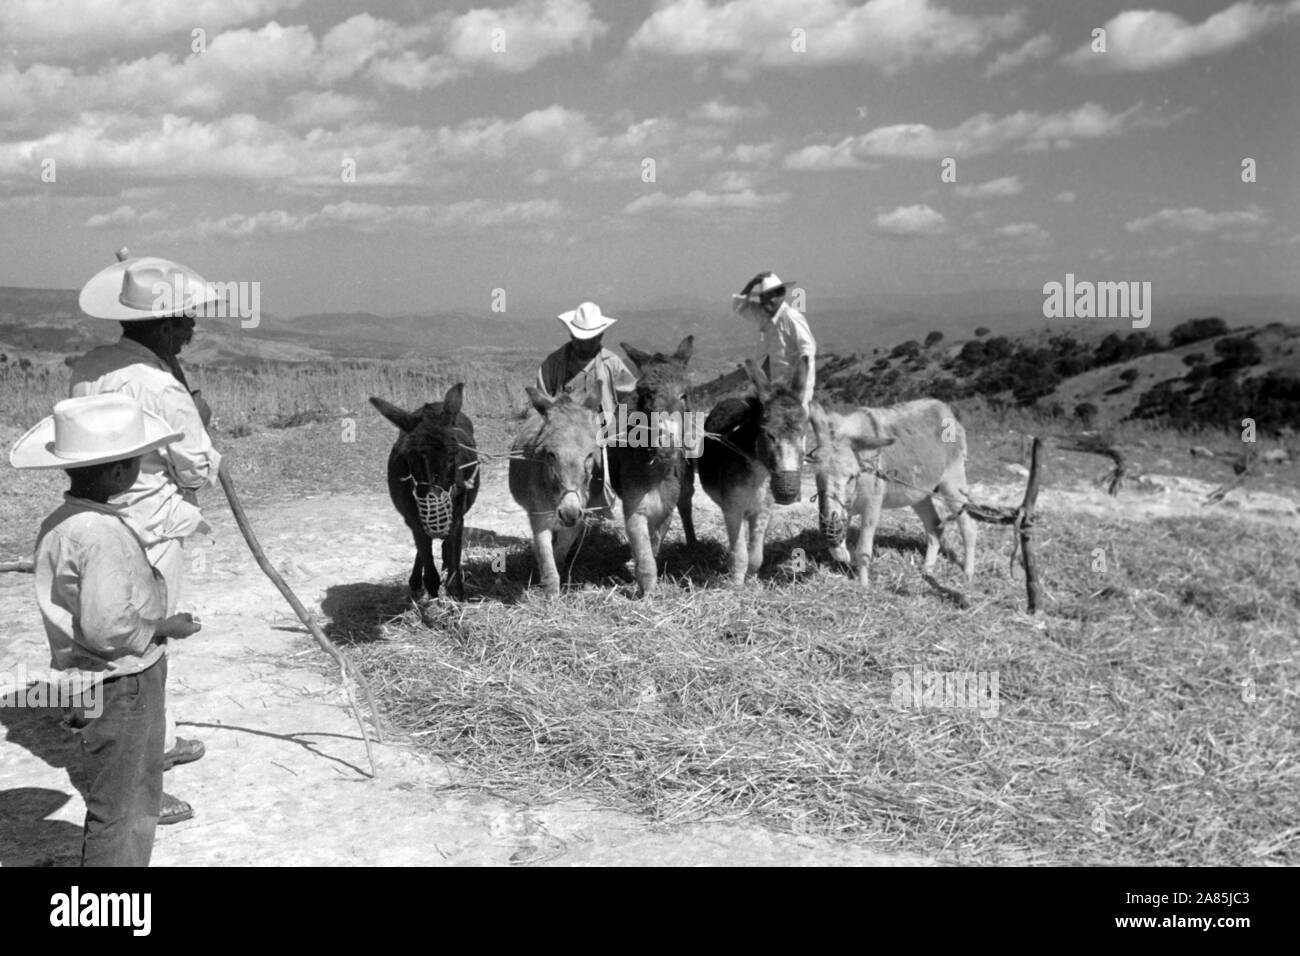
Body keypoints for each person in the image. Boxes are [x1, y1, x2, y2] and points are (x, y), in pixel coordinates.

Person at [9, 393, 204, 866]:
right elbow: (106, 627)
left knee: (119, 799)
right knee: (125, 811)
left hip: (86, 680)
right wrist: (165, 626)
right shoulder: (102, 533)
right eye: (137, 460)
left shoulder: (63, 522)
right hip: (122, 683)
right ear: (119, 472)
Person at [69, 252, 223, 807]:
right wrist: (199, 425)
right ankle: (138, 784)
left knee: (117, 640)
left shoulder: (89, 365)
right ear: (162, 324)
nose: (193, 326)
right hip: (150, 530)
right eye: (185, 318)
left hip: (95, 519)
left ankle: (158, 738)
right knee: (141, 651)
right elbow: (196, 470)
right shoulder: (160, 387)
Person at [535, 301, 638, 511]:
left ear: (600, 337)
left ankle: (596, 524)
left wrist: (623, 427)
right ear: (572, 336)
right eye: (580, 340)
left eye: (591, 340)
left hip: (603, 435)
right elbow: (542, 406)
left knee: (601, 485)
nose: (585, 345)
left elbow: (630, 398)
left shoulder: (611, 363)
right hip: (566, 439)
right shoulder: (554, 364)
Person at [732, 271, 816, 407]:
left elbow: (807, 351)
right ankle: (691, 424)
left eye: (771, 296)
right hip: (772, 389)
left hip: (793, 392)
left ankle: (690, 423)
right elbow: (738, 307)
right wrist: (751, 284)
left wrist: (802, 392)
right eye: (763, 297)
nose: (766, 301)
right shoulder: (763, 315)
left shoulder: (791, 318)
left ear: (781, 295)